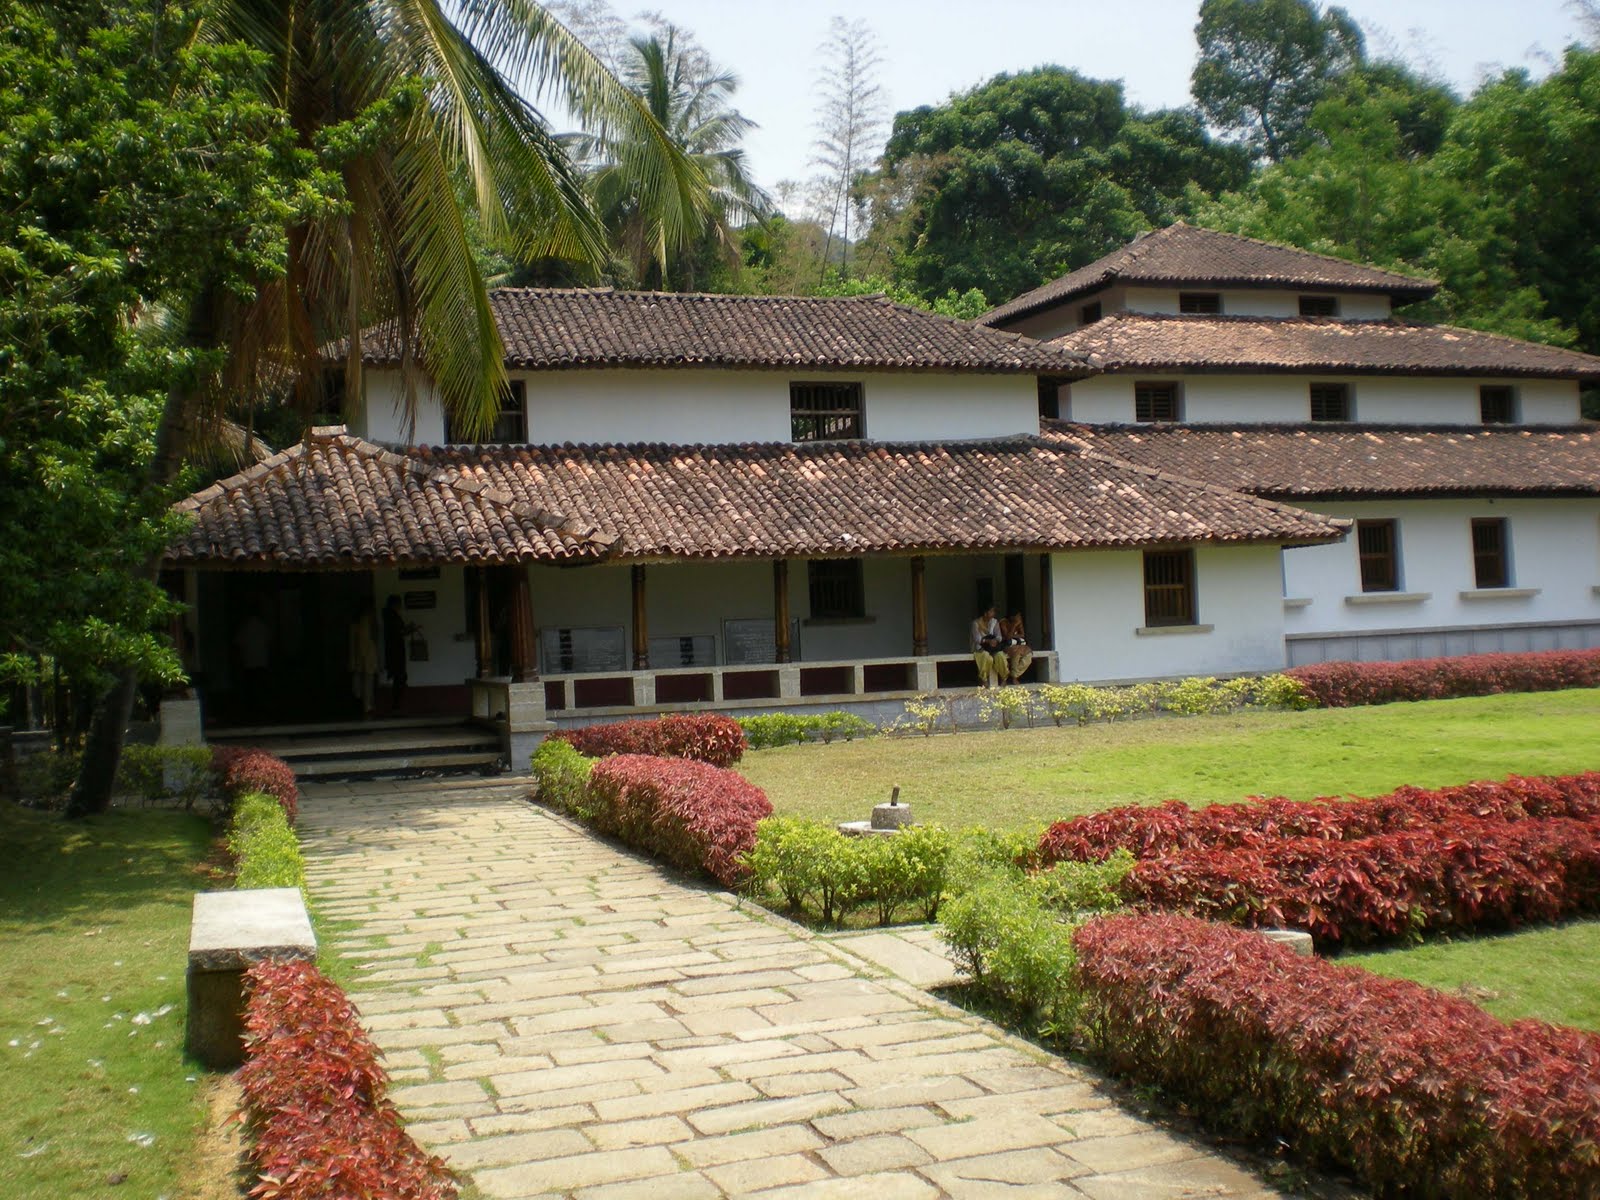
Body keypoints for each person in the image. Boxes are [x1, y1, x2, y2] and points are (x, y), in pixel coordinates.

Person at [382, 595, 414, 715]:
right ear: (395, 604)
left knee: (399, 677)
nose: (400, 606)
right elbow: (399, 632)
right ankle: (396, 705)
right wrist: (410, 629)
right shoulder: (392, 617)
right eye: (399, 604)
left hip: (393, 650)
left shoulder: (388, 616)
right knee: (400, 677)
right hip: (396, 651)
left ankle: (396, 705)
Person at [349, 598, 380, 718]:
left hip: (360, 656)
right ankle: (367, 706)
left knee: (362, 682)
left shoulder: (355, 623)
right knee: (368, 682)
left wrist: (352, 659)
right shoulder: (369, 621)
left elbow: (352, 643)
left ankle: (366, 705)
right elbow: (372, 641)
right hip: (368, 655)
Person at [970, 605, 1009, 687]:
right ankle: (984, 679)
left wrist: (995, 640)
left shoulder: (994, 622)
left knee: (1000, 656)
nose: (993, 613)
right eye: (991, 611)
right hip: (980, 648)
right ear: (985, 613)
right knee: (987, 657)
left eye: (993, 611)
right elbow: (977, 639)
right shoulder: (976, 623)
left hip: (993, 648)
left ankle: (1004, 678)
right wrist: (988, 641)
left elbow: (999, 636)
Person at [1000, 612, 1034, 683]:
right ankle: (1014, 678)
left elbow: (1022, 635)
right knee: (1016, 654)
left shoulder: (1019, 622)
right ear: (1012, 617)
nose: (1019, 618)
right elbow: (1007, 637)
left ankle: (1014, 675)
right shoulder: (1003, 622)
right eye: (1018, 616)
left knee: (1028, 656)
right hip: (1007, 645)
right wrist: (1014, 625)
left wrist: (1013, 636)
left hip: (1018, 644)